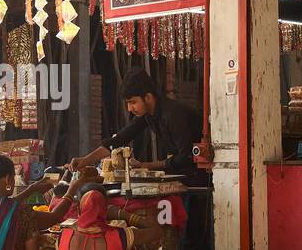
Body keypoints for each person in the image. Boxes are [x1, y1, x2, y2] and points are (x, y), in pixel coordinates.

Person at [71, 67, 203, 185]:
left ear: (148, 97)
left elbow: (185, 156)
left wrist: (146, 166)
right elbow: (118, 140)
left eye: (133, 102)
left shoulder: (172, 114)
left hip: (201, 177)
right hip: (182, 176)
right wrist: (85, 160)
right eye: (128, 103)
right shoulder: (146, 115)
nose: (129, 108)